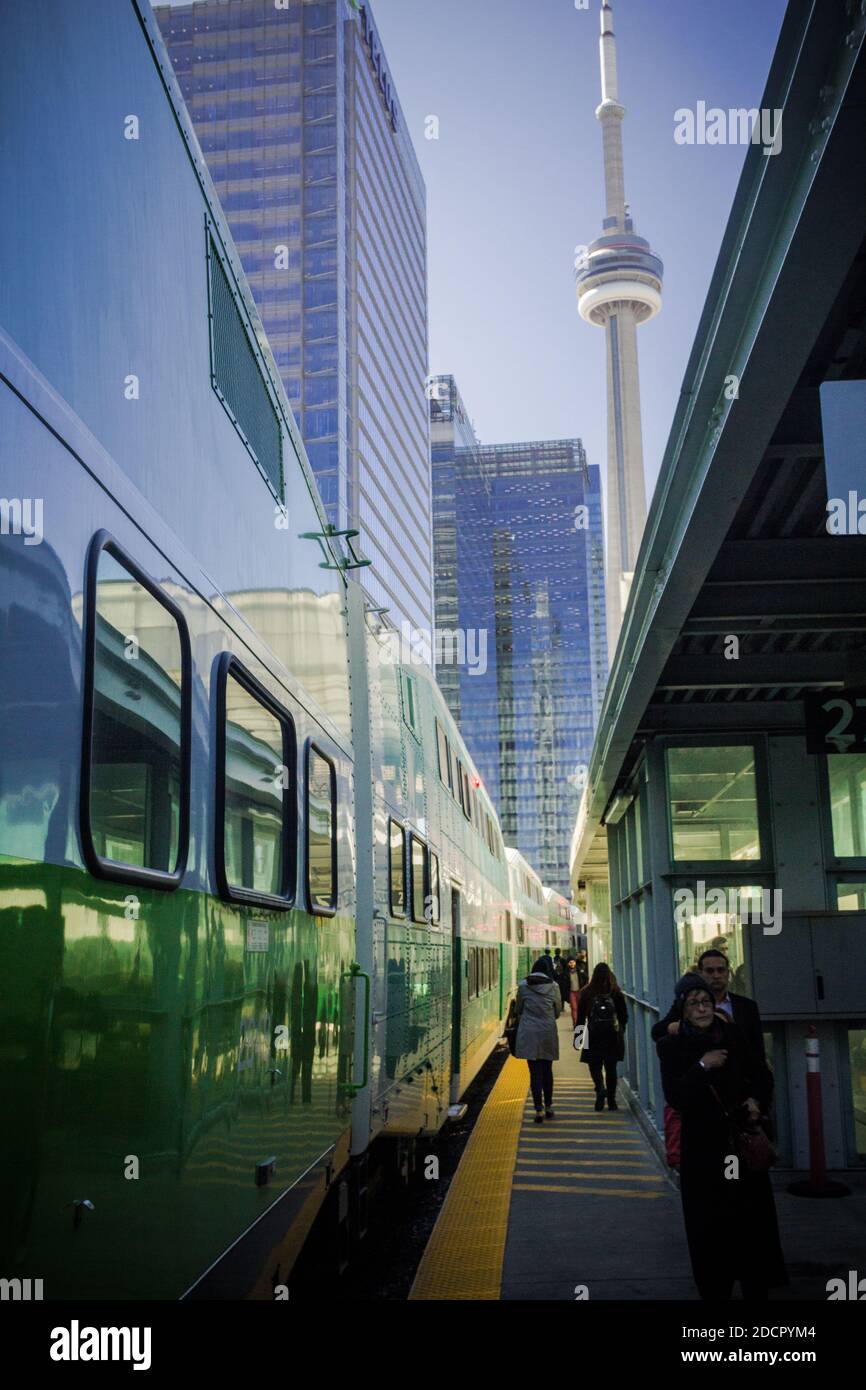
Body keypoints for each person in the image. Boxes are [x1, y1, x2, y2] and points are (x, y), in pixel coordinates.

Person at [657, 974, 787, 1301]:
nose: (702, 1009)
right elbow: (676, 1096)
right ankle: (716, 1286)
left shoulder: (731, 1033)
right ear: (682, 1011)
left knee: (749, 1218)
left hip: (739, 1141)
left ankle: (754, 1283)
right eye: (694, 1004)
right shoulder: (672, 1046)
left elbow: (761, 1074)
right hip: (704, 1148)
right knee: (710, 1222)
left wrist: (756, 1101)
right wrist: (703, 1065)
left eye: (706, 1002)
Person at [652, 949, 767, 1071]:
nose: (716, 975)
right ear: (701, 974)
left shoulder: (747, 1006)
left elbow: (757, 1048)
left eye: (721, 970)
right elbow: (657, 1032)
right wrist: (678, 1027)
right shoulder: (686, 1006)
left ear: (728, 973)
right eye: (710, 971)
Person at [515, 957, 563, 1122]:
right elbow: (558, 1010)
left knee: (534, 1073)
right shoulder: (554, 987)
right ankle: (549, 1106)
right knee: (547, 1071)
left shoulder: (523, 986)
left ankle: (538, 1111)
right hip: (548, 1031)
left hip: (529, 1033)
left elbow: (518, 1009)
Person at [576, 962, 628, 1111]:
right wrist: (620, 1030)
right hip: (612, 1035)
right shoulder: (616, 992)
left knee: (594, 1066)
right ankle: (612, 1101)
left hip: (592, 1034)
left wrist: (579, 1039)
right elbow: (624, 1016)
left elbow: (580, 1018)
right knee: (611, 1068)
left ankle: (599, 1088)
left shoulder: (586, 992)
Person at [566, 957, 581, 1026]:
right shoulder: (566, 973)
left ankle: (580, 1021)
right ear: (568, 963)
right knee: (574, 1008)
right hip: (571, 992)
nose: (572, 964)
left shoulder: (579, 971)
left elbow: (585, 979)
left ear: (575, 962)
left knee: (580, 1007)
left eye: (573, 962)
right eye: (570, 962)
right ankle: (575, 1023)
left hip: (580, 992)